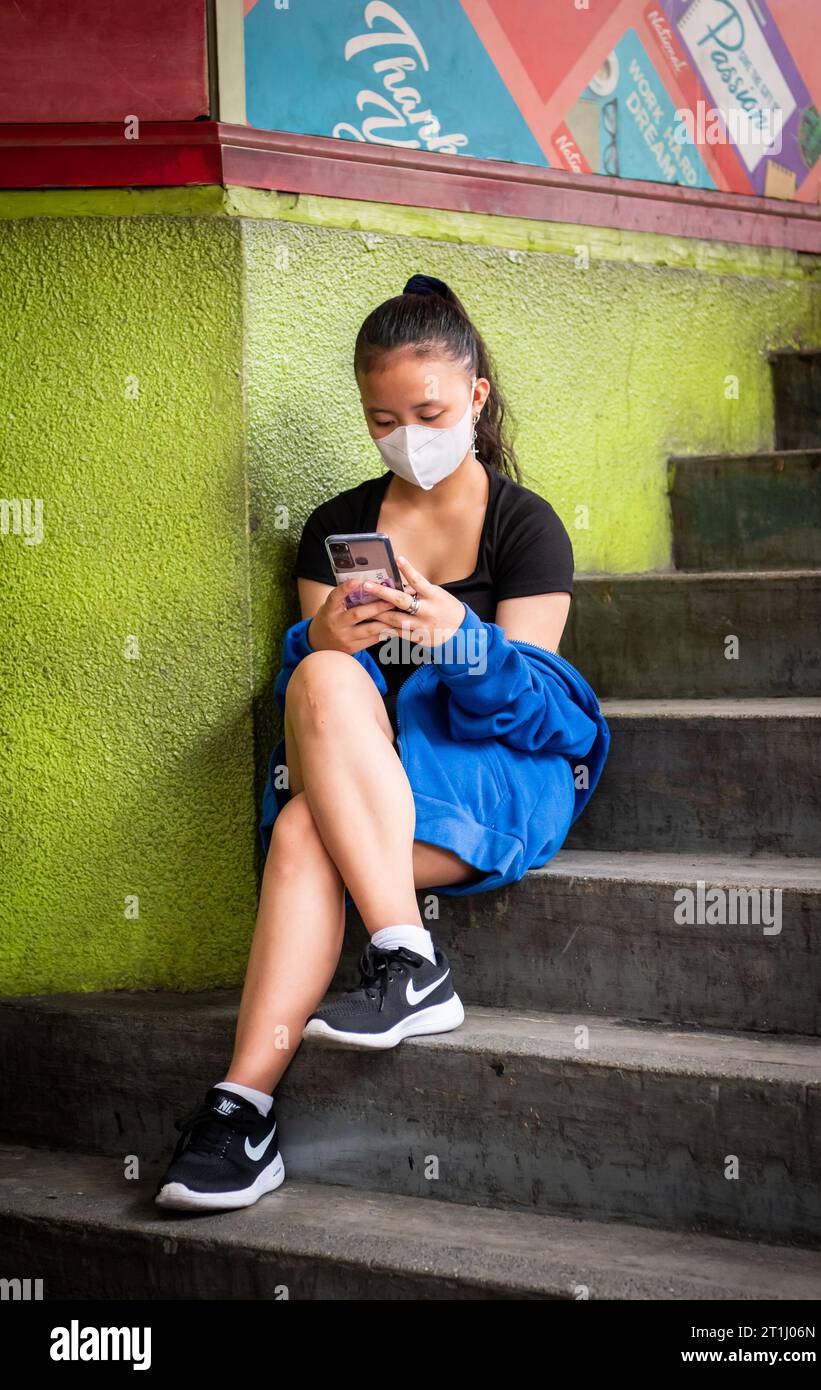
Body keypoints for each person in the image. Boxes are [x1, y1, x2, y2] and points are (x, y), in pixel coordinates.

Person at [153, 274, 609, 1212]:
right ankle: (405, 960)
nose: (407, 433)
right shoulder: (337, 529)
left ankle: (242, 1111)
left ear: (476, 398)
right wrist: (325, 640)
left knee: (301, 835)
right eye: (381, 418)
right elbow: (318, 707)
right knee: (319, 677)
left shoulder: (524, 527)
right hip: (374, 777)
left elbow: (545, 716)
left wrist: (465, 644)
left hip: (490, 777)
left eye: (429, 410)